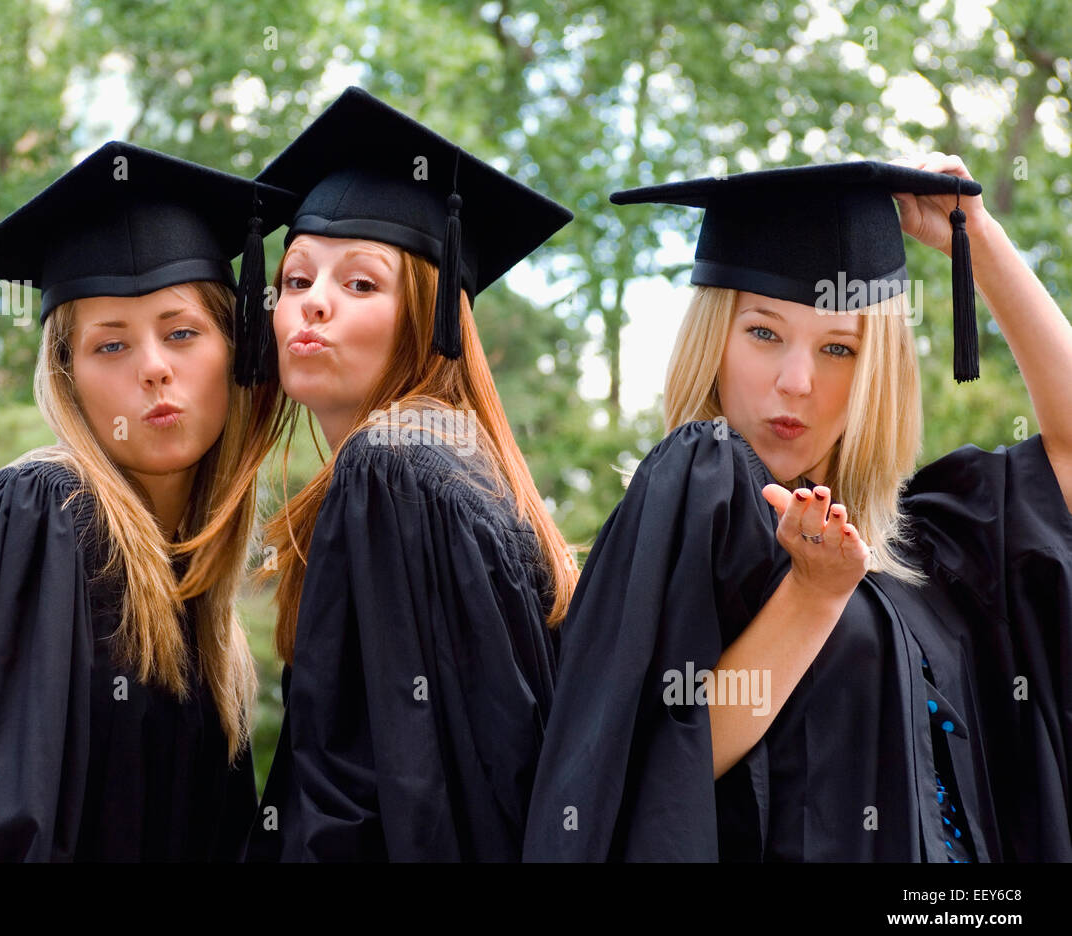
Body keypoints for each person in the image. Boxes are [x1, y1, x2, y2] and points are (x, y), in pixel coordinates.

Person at [524, 156, 1072, 862]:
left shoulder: (933, 548)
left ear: (877, 372)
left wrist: (980, 239)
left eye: (839, 347)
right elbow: (644, 768)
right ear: (713, 340)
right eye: (763, 332)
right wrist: (813, 596)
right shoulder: (700, 490)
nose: (797, 381)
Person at [0, 141, 296, 861]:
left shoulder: (196, 598)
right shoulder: (39, 519)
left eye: (182, 332)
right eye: (110, 346)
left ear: (235, 351)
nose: (155, 368)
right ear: (67, 378)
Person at [241, 86, 579, 861]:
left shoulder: (391, 468)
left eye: (360, 283)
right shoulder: (454, 462)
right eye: (296, 280)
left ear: (429, 317)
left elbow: (395, 798)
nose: (312, 305)